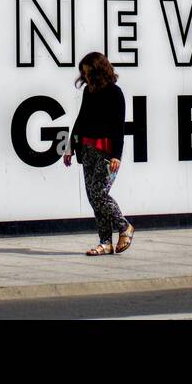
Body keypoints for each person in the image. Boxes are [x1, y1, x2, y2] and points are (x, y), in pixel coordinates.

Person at [63, 51, 135, 255]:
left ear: (99, 71)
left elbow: (118, 127)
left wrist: (116, 156)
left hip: (105, 152)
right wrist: (70, 147)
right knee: (93, 197)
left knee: (99, 194)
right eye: (83, 73)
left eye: (89, 73)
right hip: (87, 151)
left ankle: (124, 226)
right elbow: (81, 120)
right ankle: (105, 242)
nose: (85, 77)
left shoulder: (115, 93)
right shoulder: (89, 92)